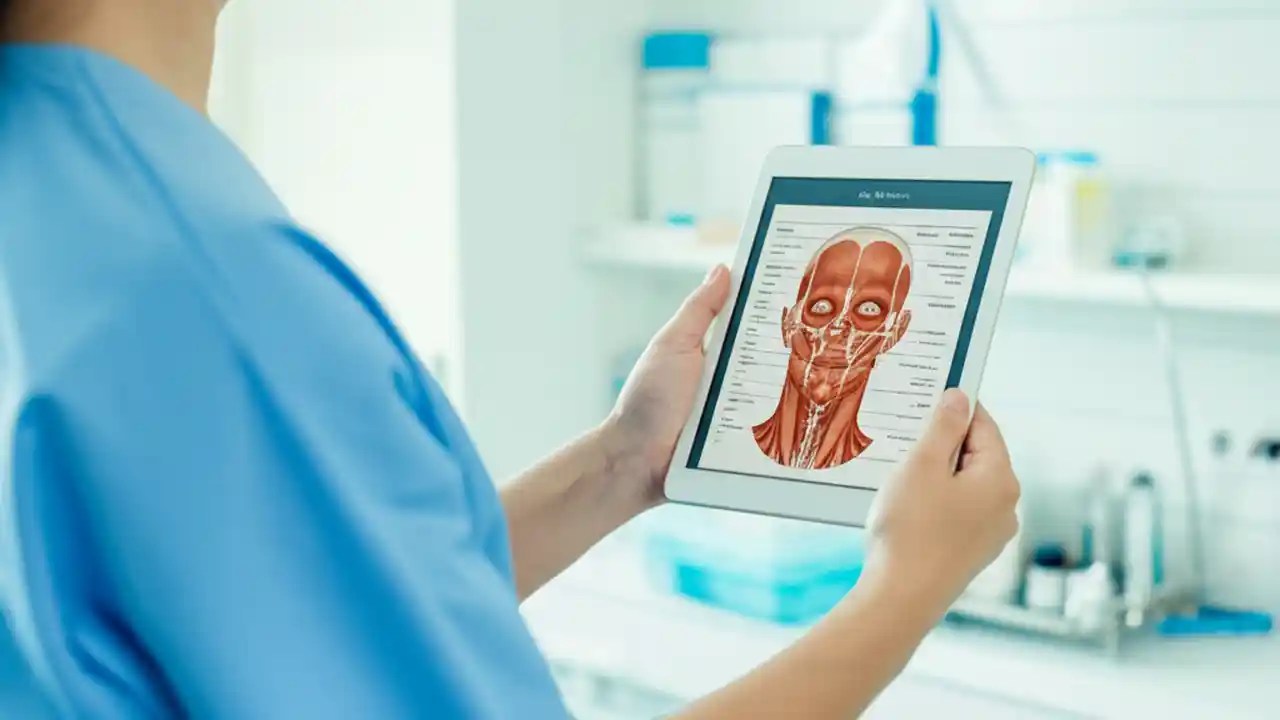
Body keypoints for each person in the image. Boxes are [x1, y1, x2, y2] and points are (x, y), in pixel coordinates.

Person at [0, 1, 1020, 718]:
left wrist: (624, 461)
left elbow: (314, 601)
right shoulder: (207, 283)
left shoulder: (56, 181)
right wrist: (904, 588)